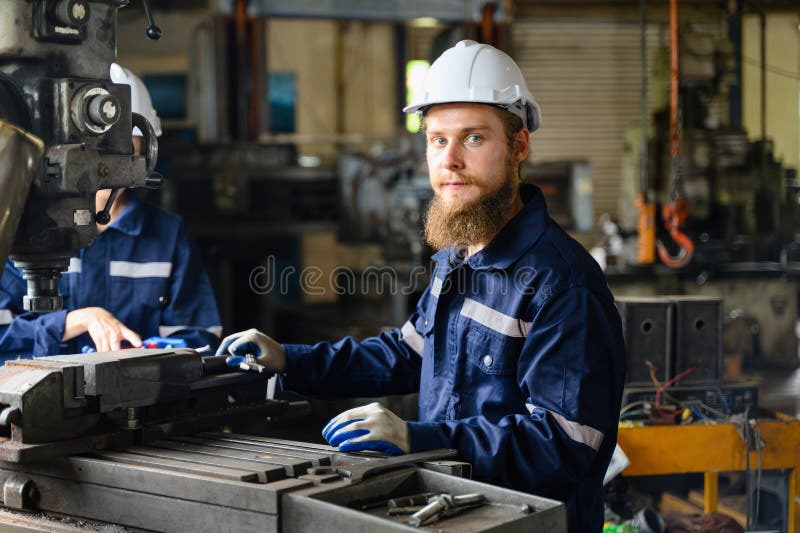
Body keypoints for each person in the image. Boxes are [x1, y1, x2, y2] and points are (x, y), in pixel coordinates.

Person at [218, 40, 626, 532]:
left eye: (473, 139)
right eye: (437, 140)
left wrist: (418, 437)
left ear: (519, 147)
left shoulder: (562, 283)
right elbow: (410, 352)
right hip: (453, 513)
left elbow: (564, 445)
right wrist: (291, 359)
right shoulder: (460, 253)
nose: (449, 160)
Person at [0, 64, 222, 360]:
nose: (103, 165)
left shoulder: (167, 236)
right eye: (90, 150)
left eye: (122, 150)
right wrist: (75, 321)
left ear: (144, 154)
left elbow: (198, 338)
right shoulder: (19, 230)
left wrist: (136, 356)